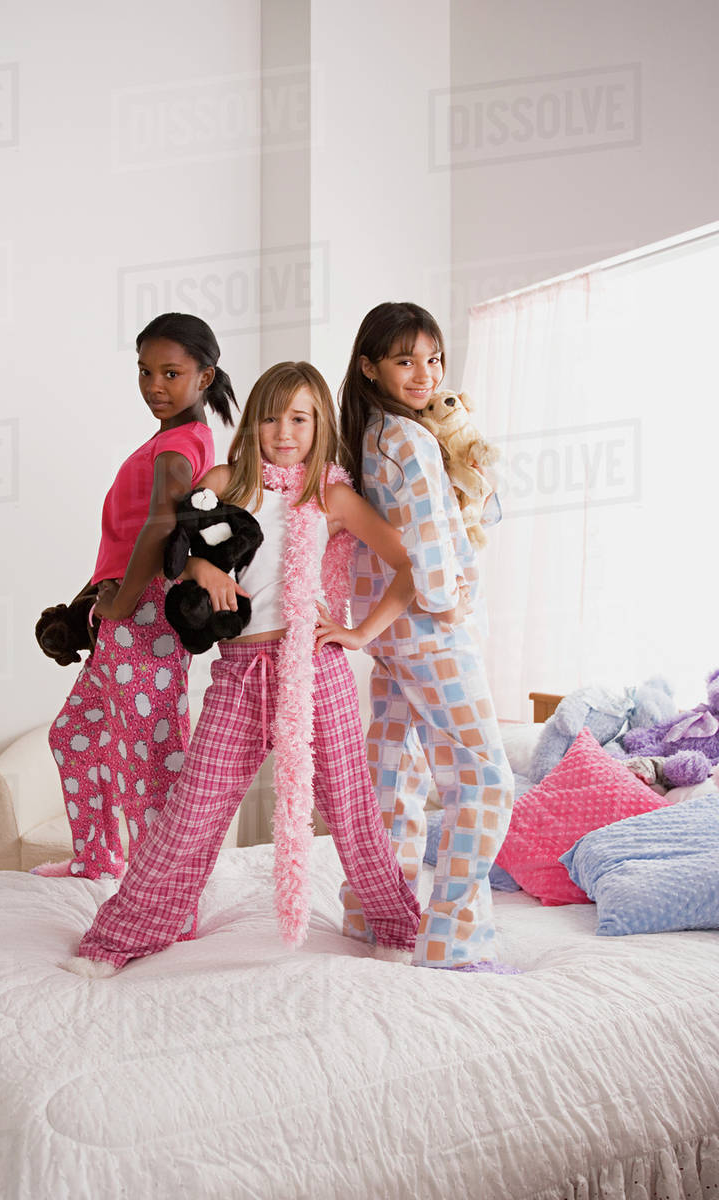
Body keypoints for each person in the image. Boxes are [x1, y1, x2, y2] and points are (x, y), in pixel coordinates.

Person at [62, 360, 421, 974]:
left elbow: (410, 565)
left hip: (315, 668)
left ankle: (398, 927)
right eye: (272, 417)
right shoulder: (227, 481)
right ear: (253, 422)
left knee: (349, 807)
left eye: (301, 419)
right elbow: (172, 548)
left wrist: (360, 633)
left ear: (319, 425)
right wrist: (200, 569)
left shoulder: (331, 495)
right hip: (240, 669)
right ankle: (123, 937)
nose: (285, 431)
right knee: (192, 811)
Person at [338, 301, 515, 972]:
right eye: (405, 360)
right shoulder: (408, 441)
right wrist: (452, 602)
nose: (424, 373)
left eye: (433, 358)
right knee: (486, 778)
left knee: (397, 768)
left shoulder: (368, 434)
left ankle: (375, 916)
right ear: (370, 366)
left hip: (390, 637)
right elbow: (428, 548)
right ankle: (454, 941)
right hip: (431, 630)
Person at [35, 313, 236, 880]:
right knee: (74, 735)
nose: (154, 386)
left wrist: (120, 604)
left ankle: (163, 894)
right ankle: (99, 859)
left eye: (171, 373)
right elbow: (125, 537)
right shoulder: (174, 437)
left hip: (144, 615)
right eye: (145, 371)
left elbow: (159, 526)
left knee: (148, 764)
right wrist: (91, 600)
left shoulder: (178, 446)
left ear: (205, 375)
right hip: (124, 610)